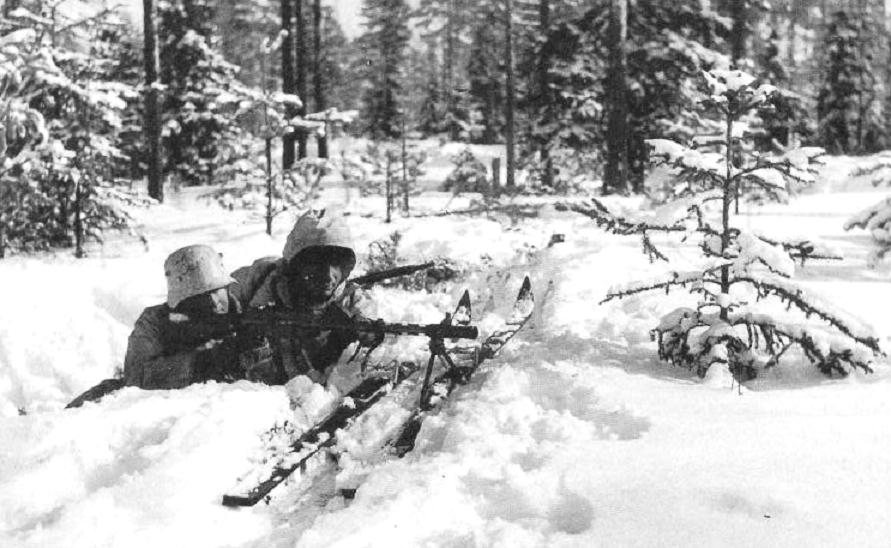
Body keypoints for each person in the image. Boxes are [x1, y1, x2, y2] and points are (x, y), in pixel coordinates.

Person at [67, 244, 254, 408]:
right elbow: (137, 376)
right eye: (204, 297)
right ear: (184, 300)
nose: (215, 302)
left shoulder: (244, 315)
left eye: (217, 291)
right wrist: (200, 361)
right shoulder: (155, 321)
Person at [230, 210, 380, 385]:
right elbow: (214, 298)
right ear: (297, 263)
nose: (328, 275)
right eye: (317, 264)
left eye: (336, 264)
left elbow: (374, 333)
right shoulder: (262, 279)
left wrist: (367, 332)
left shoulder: (351, 300)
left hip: (319, 396)